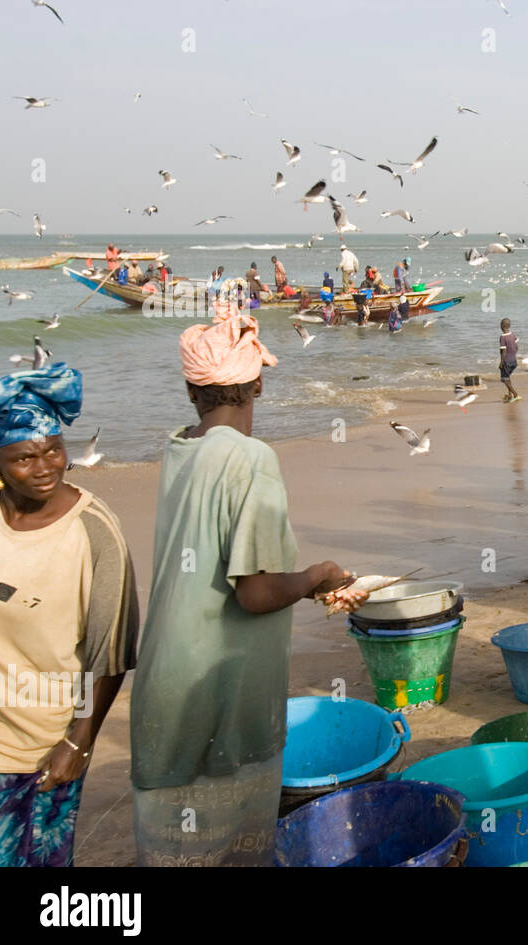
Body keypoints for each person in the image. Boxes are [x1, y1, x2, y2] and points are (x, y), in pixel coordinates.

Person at [130, 301, 368, 866]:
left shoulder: (181, 448)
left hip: (165, 683)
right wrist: (319, 575)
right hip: (220, 694)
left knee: (171, 845)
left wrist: (304, 586)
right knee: (228, 848)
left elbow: (220, 564)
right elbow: (255, 593)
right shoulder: (250, 459)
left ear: (192, 391)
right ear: (258, 385)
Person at [0, 363, 138, 866]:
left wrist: (79, 743)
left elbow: (110, 654)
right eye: (25, 458)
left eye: (54, 449)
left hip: (37, 748)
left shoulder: (93, 533)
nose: (45, 466)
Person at [499, 317, 521, 403]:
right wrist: (513, 355)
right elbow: (516, 347)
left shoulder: (502, 337)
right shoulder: (513, 335)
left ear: (502, 326)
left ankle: (515, 394)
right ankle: (510, 394)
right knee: (507, 378)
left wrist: (501, 363)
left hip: (506, 362)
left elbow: (503, 352)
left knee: (504, 379)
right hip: (513, 361)